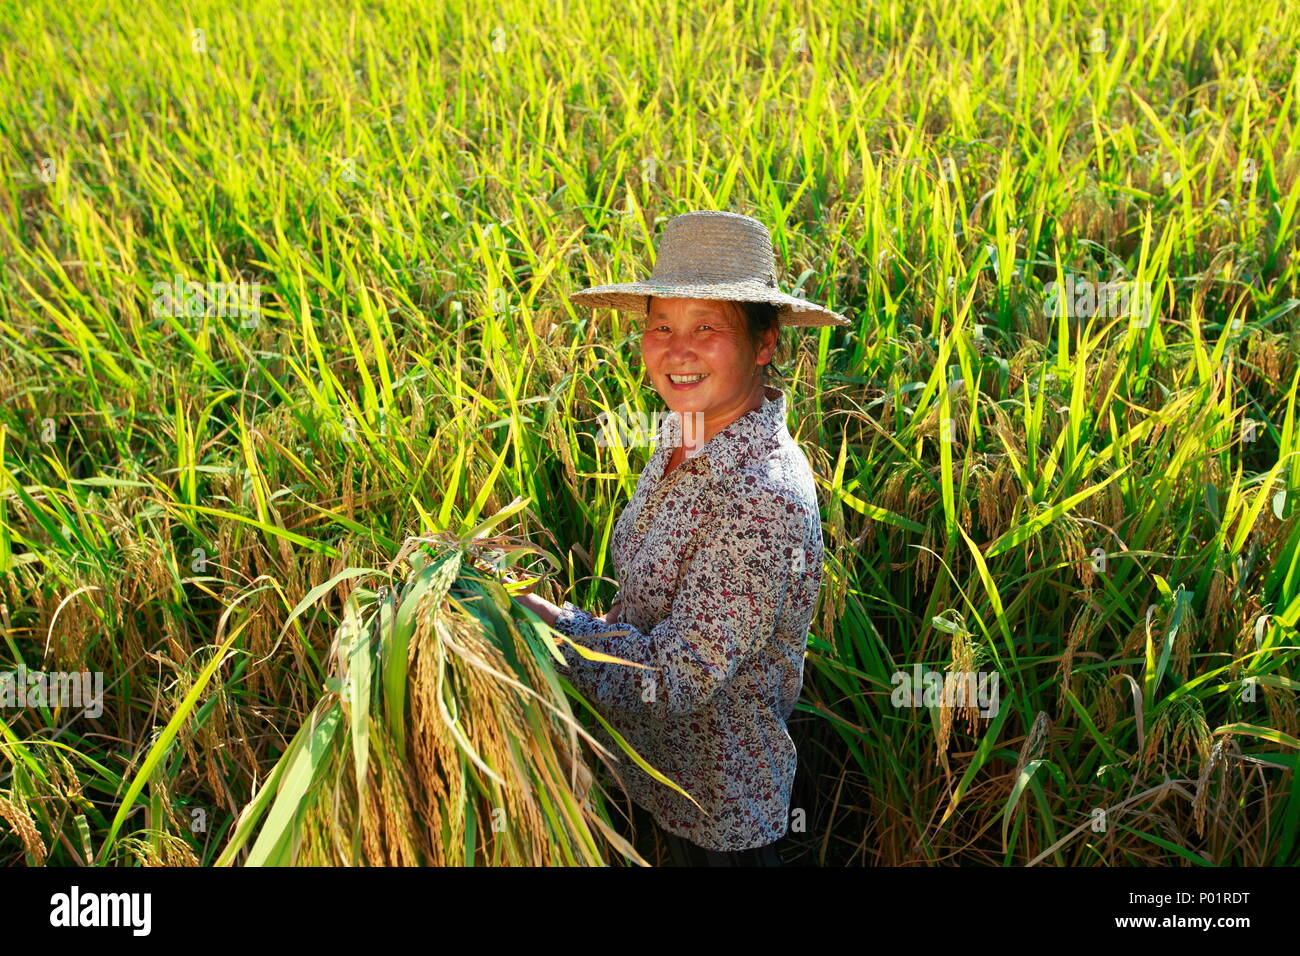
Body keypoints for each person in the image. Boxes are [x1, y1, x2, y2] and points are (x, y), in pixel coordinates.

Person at [514, 210, 850, 866]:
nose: (676, 349)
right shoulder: (684, 429)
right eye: (661, 326)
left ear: (764, 343)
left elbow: (673, 679)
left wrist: (547, 625)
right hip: (652, 775)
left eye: (706, 328)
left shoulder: (761, 496)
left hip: (722, 819)